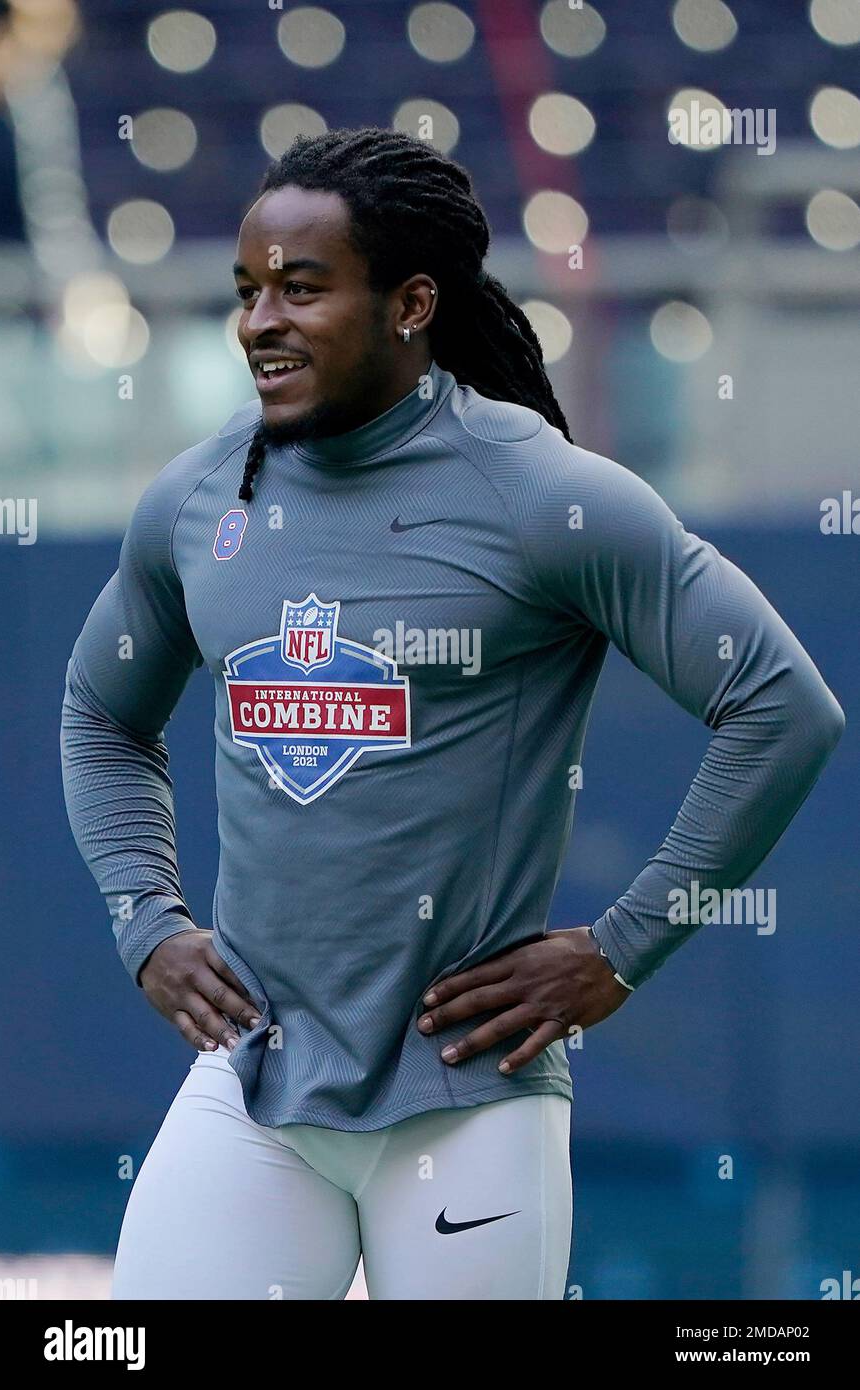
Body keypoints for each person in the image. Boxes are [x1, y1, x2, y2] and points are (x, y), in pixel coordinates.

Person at [61, 127, 844, 1301]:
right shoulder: (195, 496)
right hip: (252, 1087)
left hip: (465, 1108)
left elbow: (782, 707)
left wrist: (621, 948)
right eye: (247, 290)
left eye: (302, 288)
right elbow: (100, 713)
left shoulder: (541, 498)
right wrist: (146, 919)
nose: (260, 321)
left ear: (411, 302)